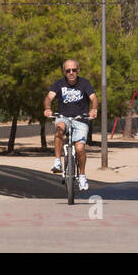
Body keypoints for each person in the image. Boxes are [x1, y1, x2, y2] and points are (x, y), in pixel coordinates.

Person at [44, 58, 98, 192]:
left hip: (80, 119)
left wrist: (93, 109)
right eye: (68, 70)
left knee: (80, 149)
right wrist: (47, 108)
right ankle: (57, 161)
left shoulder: (85, 83)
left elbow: (94, 98)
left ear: (78, 70)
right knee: (59, 129)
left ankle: (82, 175)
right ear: (64, 72)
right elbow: (49, 97)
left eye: (74, 70)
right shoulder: (59, 84)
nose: (71, 73)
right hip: (64, 117)